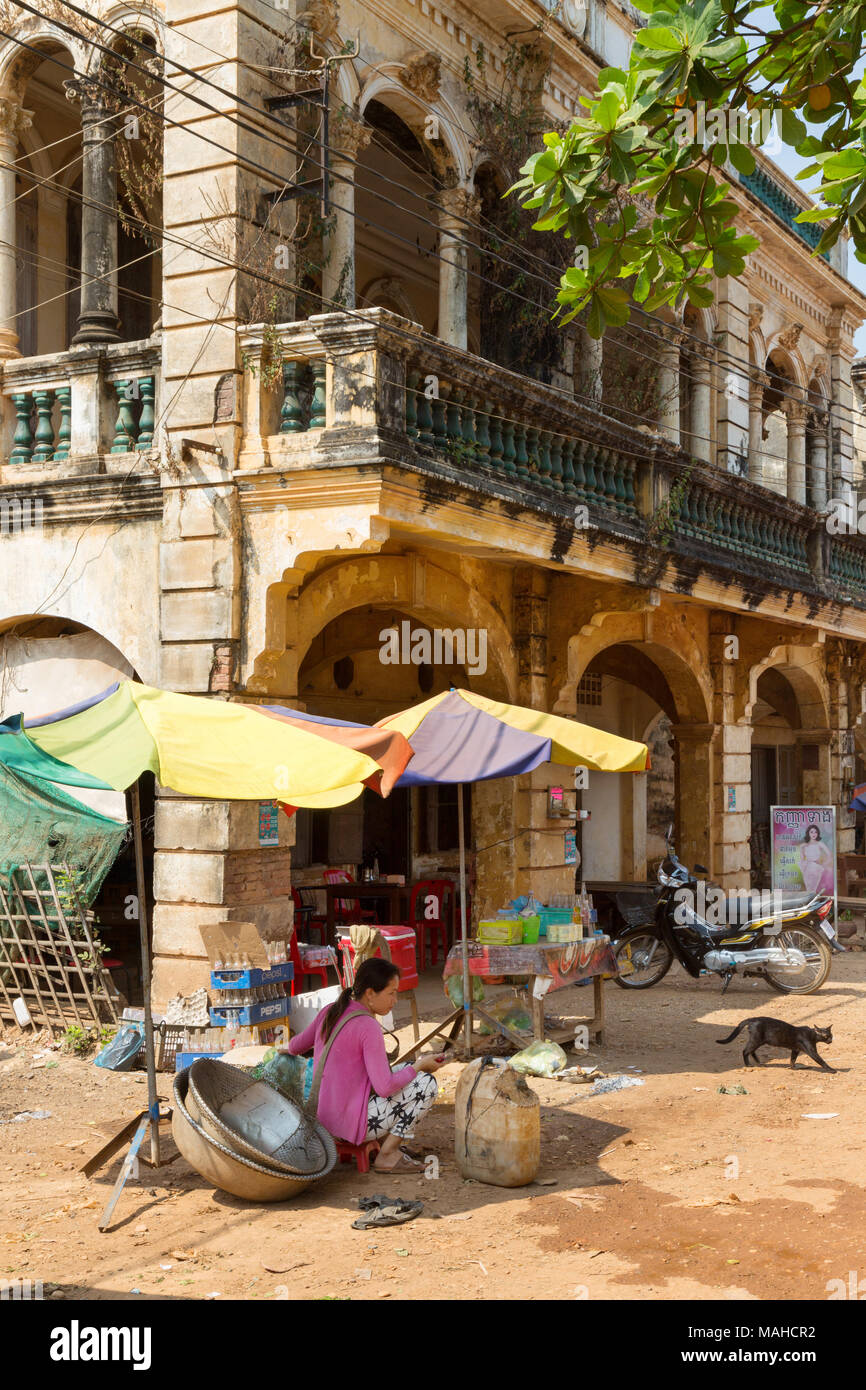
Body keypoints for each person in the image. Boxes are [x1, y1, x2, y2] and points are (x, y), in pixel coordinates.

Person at [281, 957, 446, 1173]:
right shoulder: (368, 1026)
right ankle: (387, 1155)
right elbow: (385, 1087)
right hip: (349, 1126)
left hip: (323, 1122)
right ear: (370, 994)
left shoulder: (330, 1010)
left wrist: (281, 1051)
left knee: (406, 1067)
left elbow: (295, 1046)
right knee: (426, 1083)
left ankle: (387, 1144)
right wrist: (419, 1067)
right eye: (391, 992)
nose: (395, 1000)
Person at [798, 824, 834, 896]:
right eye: (811, 832)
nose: (814, 834)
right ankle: (808, 904)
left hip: (816, 867)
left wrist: (824, 864)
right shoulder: (804, 845)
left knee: (813, 888)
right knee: (808, 887)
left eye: (815, 832)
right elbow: (802, 858)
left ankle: (813, 903)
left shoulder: (820, 844)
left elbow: (830, 855)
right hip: (807, 867)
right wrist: (801, 849)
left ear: (818, 833)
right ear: (808, 833)